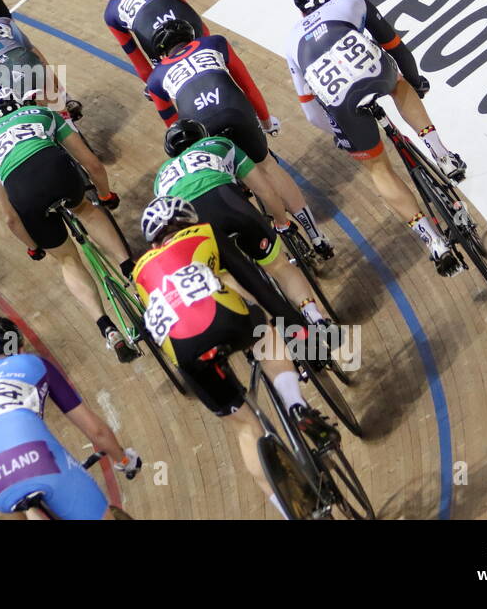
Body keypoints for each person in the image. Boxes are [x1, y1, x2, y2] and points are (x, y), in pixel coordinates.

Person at [133, 196, 340, 516]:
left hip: (187, 355)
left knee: (244, 428)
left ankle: (289, 512)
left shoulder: (140, 272)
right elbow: (256, 284)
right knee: (265, 330)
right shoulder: (204, 232)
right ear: (188, 220)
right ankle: (296, 405)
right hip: (224, 322)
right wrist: (295, 326)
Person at [287, 0, 466, 276]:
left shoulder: (291, 41)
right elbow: (396, 47)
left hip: (339, 101)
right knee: (398, 82)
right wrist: (414, 80)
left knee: (378, 168)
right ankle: (442, 156)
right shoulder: (353, 2)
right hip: (371, 70)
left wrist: (342, 132)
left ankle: (433, 241)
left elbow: (311, 114)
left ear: (302, 9)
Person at [146, 19, 334, 260]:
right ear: (191, 36)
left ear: (161, 54)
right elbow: (247, 86)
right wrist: (266, 122)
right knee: (266, 165)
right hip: (235, 111)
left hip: (202, 127)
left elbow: (175, 127)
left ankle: (266, 235)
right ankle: (316, 235)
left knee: (230, 182)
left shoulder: (155, 80)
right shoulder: (214, 43)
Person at [0, 86, 137, 362]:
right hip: (56, 173)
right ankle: (131, 268)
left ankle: (107, 327)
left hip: (24, 195)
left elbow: (10, 219)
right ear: (18, 103)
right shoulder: (41, 113)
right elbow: (92, 163)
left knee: (66, 259)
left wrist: (32, 248)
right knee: (86, 210)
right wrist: (105, 194)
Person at [155, 119, 336, 337]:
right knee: (279, 266)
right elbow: (264, 190)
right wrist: (281, 221)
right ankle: (313, 315)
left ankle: (277, 339)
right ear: (202, 136)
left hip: (196, 226)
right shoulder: (219, 144)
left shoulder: (161, 177)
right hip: (229, 204)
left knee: (231, 282)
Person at [0, 317, 141, 520]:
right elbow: (96, 431)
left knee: (24, 503)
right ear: (21, 348)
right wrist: (124, 460)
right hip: (34, 461)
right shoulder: (33, 363)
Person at [98, 0, 208, 82]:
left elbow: (136, 57)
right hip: (188, 21)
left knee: (168, 84)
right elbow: (194, 17)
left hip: (155, 39)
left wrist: (152, 85)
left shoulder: (111, 12)